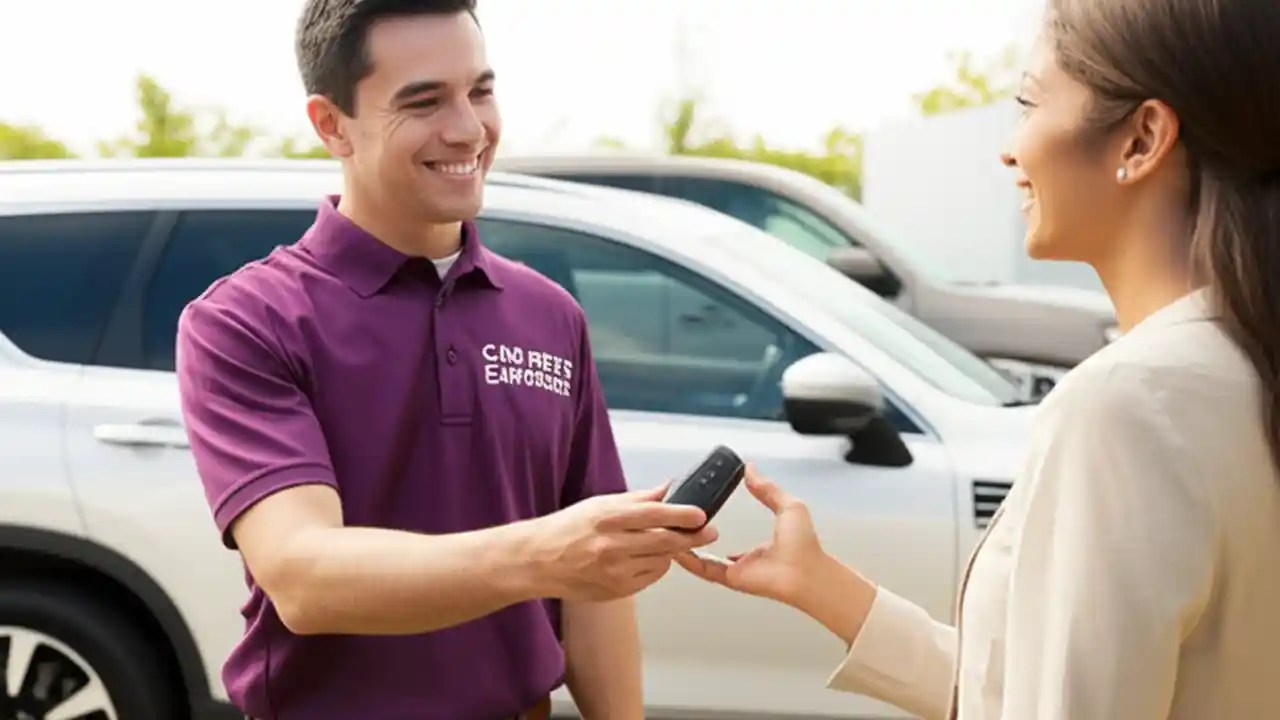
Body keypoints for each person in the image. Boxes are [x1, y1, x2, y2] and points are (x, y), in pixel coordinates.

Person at [678, 0, 1280, 718]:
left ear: (1141, 139)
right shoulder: (1237, 363)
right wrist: (822, 586)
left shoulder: (1128, 402)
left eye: (1028, 102)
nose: (1009, 148)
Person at [173, 1, 717, 718]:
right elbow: (305, 579)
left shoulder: (550, 315)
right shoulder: (246, 321)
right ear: (331, 124)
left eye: (480, 91)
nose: (468, 129)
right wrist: (544, 554)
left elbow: (596, 592)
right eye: (424, 101)